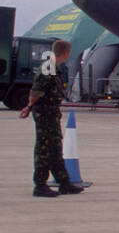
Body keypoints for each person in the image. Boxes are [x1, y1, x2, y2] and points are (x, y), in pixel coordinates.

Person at [19, 39, 84, 198]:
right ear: (66, 53)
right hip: (45, 114)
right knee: (44, 149)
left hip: (51, 114)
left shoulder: (54, 67)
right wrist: (29, 107)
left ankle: (64, 183)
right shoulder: (48, 68)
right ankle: (40, 185)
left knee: (55, 148)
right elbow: (36, 92)